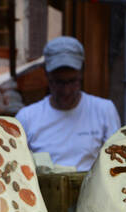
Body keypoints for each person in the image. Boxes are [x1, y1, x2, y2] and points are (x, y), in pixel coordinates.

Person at [16, 36, 119, 171]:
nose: (66, 91)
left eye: (72, 81)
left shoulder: (104, 110)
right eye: (58, 82)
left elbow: (114, 164)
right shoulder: (26, 118)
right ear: (46, 75)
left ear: (82, 73)